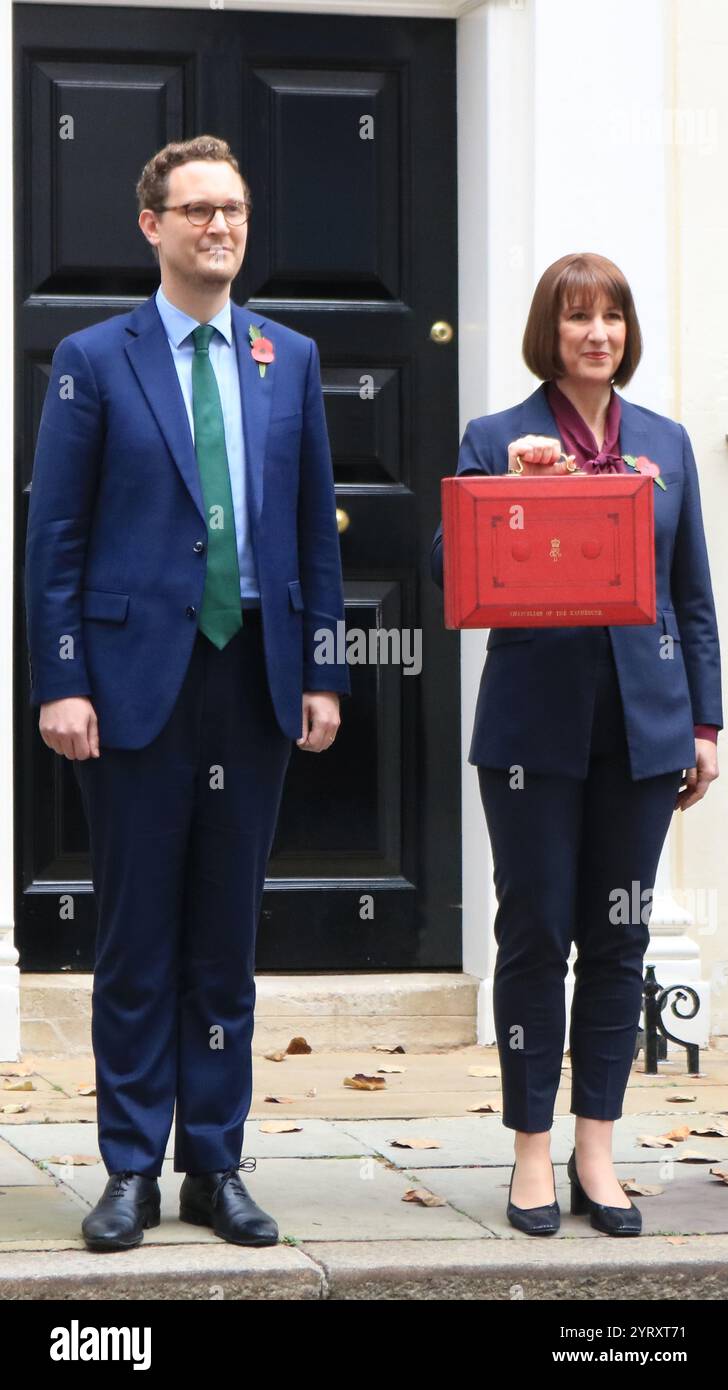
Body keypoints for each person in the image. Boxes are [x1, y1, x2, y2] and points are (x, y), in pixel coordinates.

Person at [24, 135, 350, 1252]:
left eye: (236, 210)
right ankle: (128, 1168)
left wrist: (321, 666)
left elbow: (313, 525)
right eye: (199, 209)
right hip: (130, 687)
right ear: (151, 225)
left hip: (250, 671)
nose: (221, 227)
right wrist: (59, 681)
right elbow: (53, 535)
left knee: (223, 934)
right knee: (135, 935)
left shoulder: (287, 357)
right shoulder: (92, 359)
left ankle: (214, 1161)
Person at [430, 252, 722, 1236]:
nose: (595, 334)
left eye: (610, 318)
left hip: (640, 734)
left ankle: (595, 1152)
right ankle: (526, 1154)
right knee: (534, 933)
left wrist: (703, 723)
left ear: (626, 332)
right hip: (529, 732)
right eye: (575, 318)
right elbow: (448, 573)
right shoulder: (496, 436)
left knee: (617, 938)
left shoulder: (666, 445)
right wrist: (505, 494)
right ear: (547, 333)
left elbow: (690, 598)